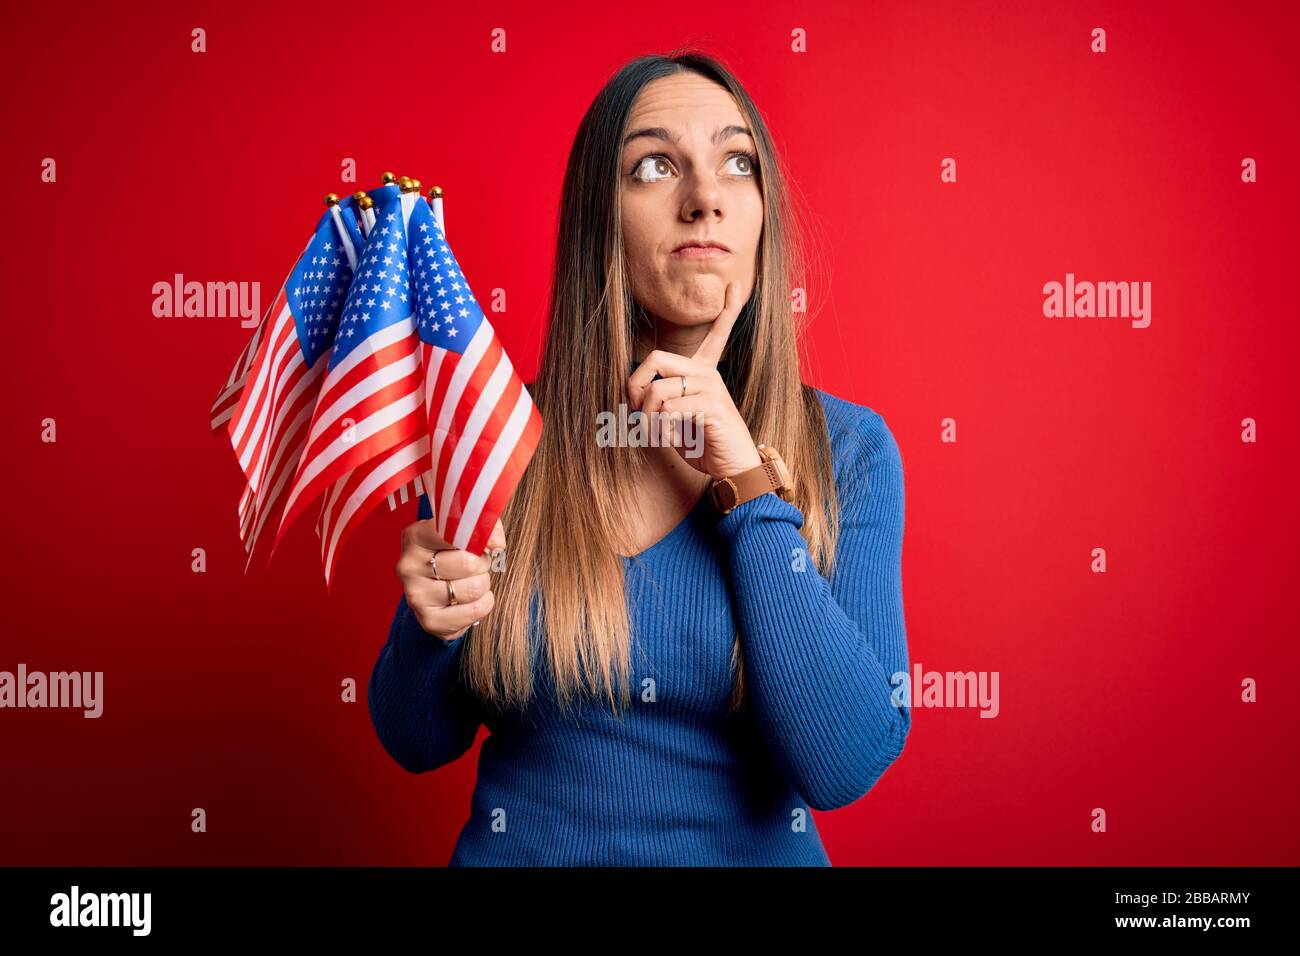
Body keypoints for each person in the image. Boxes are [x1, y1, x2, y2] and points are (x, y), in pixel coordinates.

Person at [368, 49, 910, 866]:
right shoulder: (494, 435)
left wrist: (749, 487)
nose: (704, 200)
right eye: (655, 166)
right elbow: (416, 739)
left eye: (737, 162)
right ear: (600, 219)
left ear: (764, 210)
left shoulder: (852, 450)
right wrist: (430, 627)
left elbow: (844, 762)